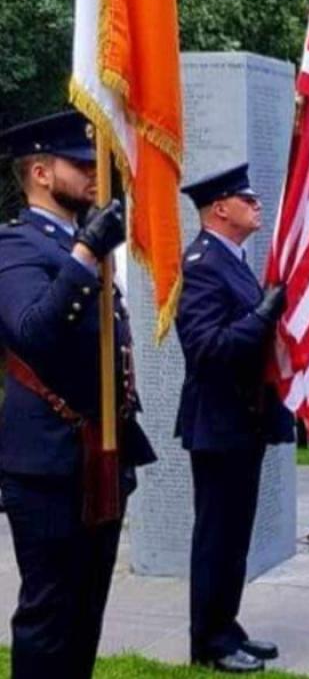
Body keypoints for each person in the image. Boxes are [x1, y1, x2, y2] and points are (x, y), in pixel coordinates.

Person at [0, 111, 157, 679]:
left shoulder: (80, 245)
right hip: (47, 465)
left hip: (99, 456)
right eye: (82, 164)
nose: (96, 174)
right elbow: (34, 332)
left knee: (87, 610)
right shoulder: (16, 246)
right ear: (40, 172)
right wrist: (86, 254)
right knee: (50, 614)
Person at [176, 163, 289, 674]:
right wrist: (262, 316)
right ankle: (209, 640)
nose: (257, 204)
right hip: (218, 422)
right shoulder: (202, 263)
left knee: (235, 536)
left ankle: (228, 624)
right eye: (247, 198)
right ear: (220, 208)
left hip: (244, 420)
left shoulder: (234, 260)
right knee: (217, 537)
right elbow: (206, 348)